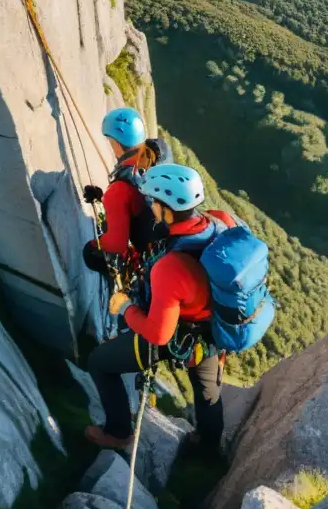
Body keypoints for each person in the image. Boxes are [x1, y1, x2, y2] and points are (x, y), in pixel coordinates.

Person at [86, 164, 235, 452]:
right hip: (212, 332)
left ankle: (118, 433)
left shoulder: (170, 267)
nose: (150, 206)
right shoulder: (219, 222)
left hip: (176, 334)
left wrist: (126, 307)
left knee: (99, 363)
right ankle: (208, 450)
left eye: (153, 202)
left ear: (166, 210)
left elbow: (158, 334)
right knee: (208, 392)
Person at [81, 107, 171, 274]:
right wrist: (103, 199)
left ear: (115, 143)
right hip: (169, 237)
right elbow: (137, 200)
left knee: (90, 254)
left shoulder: (120, 189)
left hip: (154, 256)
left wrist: (96, 244)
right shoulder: (157, 156)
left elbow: (116, 244)